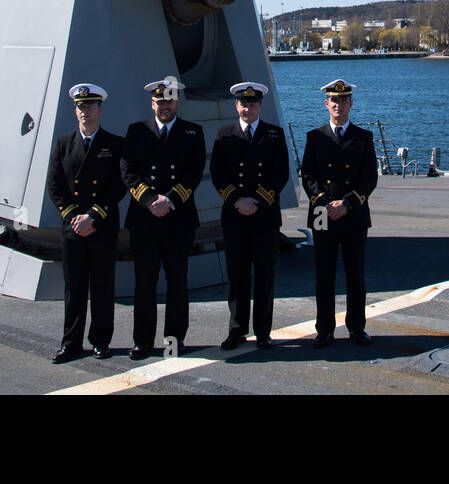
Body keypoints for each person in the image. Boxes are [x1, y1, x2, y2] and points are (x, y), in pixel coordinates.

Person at [122, 76, 205, 360]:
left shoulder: (192, 132)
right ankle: (142, 342)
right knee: (144, 282)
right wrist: (149, 200)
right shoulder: (136, 132)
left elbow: (194, 173)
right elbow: (128, 173)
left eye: (169, 100)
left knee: (177, 283)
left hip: (177, 218)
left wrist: (169, 200)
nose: (164, 105)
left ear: (176, 102)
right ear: (152, 103)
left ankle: (174, 341)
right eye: (159, 101)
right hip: (144, 220)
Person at [46, 83, 126, 363]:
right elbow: (54, 186)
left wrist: (93, 216)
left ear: (100, 109)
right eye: (81, 106)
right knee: (75, 288)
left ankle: (101, 341)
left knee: (103, 286)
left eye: (90, 106)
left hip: (101, 225)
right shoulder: (63, 143)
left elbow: (118, 186)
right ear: (75, 110)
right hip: (73, 228)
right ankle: (70, 343)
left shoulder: (114, 144)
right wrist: (72, 217)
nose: (85, 111)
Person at [209, 81, 290, 350]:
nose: (248, 108)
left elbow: (280, 174)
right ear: (236, 106)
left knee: (265, 276)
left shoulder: (274, 135)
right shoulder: (225, 134)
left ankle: (263, 331)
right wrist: (237, 201)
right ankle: (237, 329)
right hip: (235, 216)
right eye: (243, 104)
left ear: (260, 106)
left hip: (264, 217)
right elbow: (218, 174)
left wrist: (257, 202)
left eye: (252, 104)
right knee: (237, 277)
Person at [299, 78, 378, 348]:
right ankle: (324, 329)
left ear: (350, 104)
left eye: (343, 101)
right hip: (322, 213)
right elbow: (308, 175)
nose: (338, 105)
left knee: (355, 275)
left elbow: (369, 178)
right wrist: (324, 203)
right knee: (324, 274)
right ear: (326, 104)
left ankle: (357, 328)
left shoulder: (363, 138)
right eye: (334, 100)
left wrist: (346, 204)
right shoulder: (315, 137)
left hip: (353, 213)